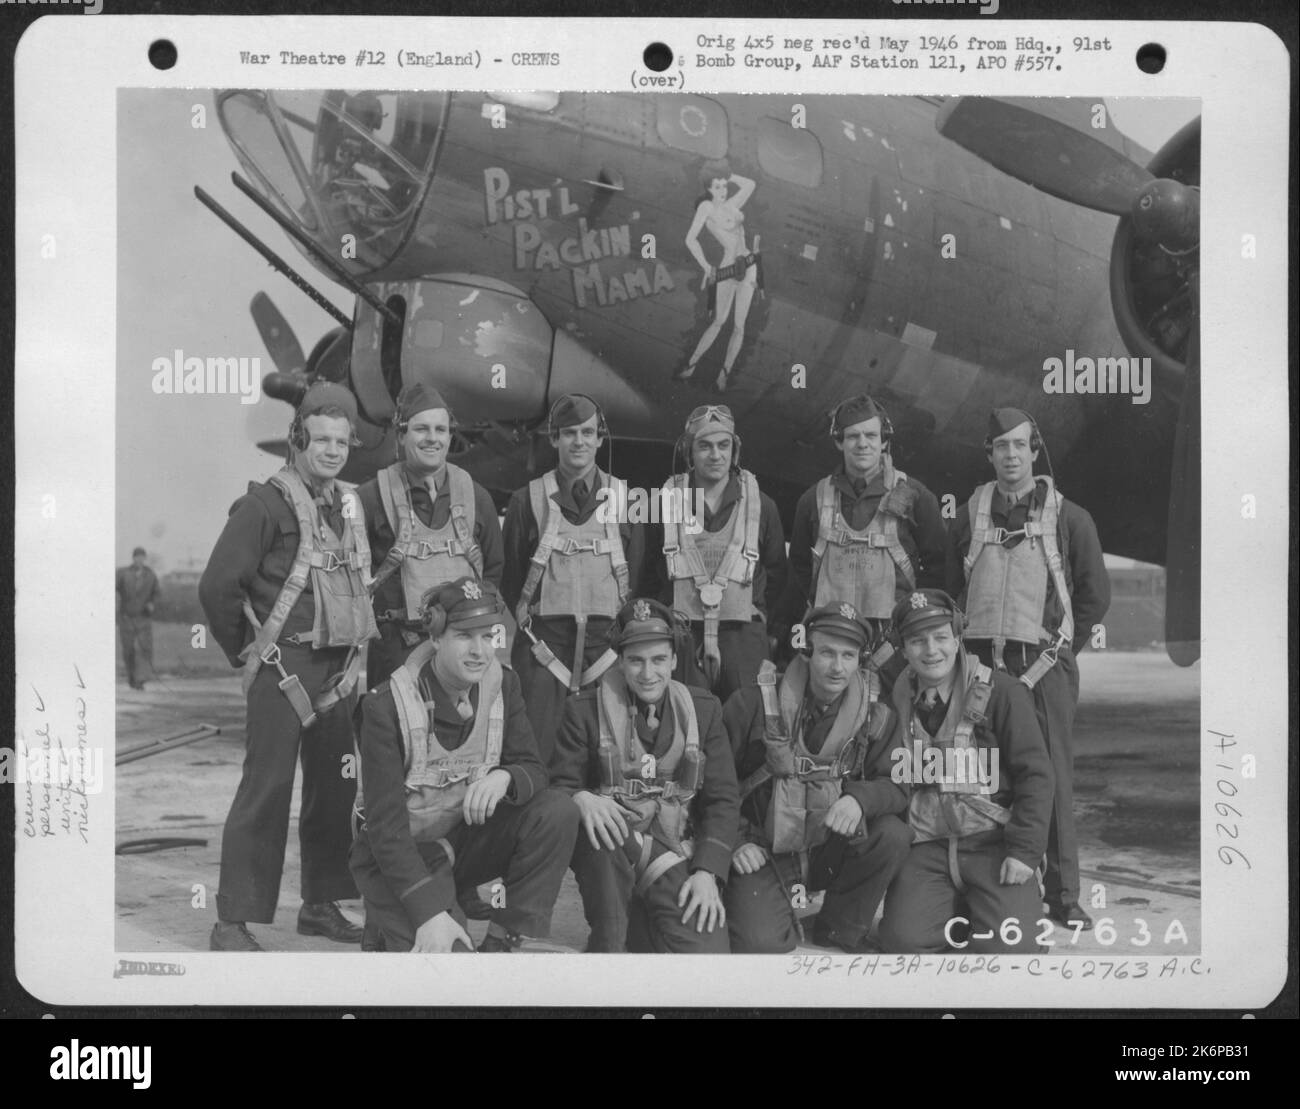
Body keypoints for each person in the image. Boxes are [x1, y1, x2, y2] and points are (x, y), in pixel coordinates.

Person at [199, 382, 378, 951]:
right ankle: (231, 920)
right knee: (267, 788)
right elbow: (217, 586)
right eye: (320, 439)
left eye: (342, 442)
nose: (331, 450)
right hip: (283, 666)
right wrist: (248, 653)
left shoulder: (347, 506)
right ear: (298, 439)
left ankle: (320, 905)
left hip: (337, 667)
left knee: (333, 790)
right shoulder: (263, 505)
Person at [946, 407, 1111, 930]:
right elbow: (952, 590)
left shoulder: (1070, 518)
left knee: (1053, 778)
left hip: (1040, 668)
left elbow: (1094, 598)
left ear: (1034, 452)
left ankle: (1063, 897)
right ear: (990, 453)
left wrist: (1060, 653)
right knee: (972, 773)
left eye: (1020, 446)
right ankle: (977, 881)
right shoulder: (970, 515)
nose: (1011, 455)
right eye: (1001, 446)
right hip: (979, 670)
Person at [349, 578, 579, 952]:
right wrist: (428, 913)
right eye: (464, 636)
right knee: (448, 962)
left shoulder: (503, 685)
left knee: (556, 811)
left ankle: (505, 939)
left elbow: (535, 769)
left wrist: (506, 776)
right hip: (400, 856)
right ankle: (388, 921)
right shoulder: (386, 706)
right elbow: (386, 830)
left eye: (488, 637)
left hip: (459, 846)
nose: (479, 651)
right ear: (436, 638)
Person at [550, 598, 739, 952]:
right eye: (635, 660)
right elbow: (558, 786)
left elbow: (723, 799)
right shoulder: (583, 711)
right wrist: (581, 796)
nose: (647, 673)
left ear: (675, 660)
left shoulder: (704, 709)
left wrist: (707, 872)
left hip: (672, 848)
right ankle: (609, 936)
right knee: (613, 944)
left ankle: (639, 917)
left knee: (707, 954)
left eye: (658, 660)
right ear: (620, 661)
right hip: (610, 849)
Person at [722, 602, 912, 954]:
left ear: (859, 660)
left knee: (892, 834)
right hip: (764, 849)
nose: (837, 667)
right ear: (808, 651)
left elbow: (899, 784)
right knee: (759, 943)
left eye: (848, 655)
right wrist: (736, 841)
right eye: (826, 653)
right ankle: (773, 906)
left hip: (831, 846)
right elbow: (716, 785)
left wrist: (860, 798)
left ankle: (839, 928)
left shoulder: (878, 716)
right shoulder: (751, 704)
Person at [877, 590, 1054, 955]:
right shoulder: (895, 700)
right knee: (902, 942)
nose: (931, 650)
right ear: (904, 649)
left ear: (958, 638)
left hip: (992, 845)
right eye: (917, 641)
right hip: (927, 848)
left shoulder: (1002, 693)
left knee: (1013, 948)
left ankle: (1001, 903)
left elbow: (1036, 775)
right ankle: (955, 905)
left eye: (941, 637)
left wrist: (1024, 853)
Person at [502, 393, 644, 763]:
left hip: (606, 650)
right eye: (568, 433)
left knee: (608, 754)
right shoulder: (525, 501)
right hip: (544, 648)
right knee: (534, 753)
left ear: (600, 439)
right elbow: (512, 577)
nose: (578, 441)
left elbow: (638, 573)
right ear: (553, 439)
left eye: (587, 432)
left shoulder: (628, 500)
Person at [783, 393, 946, 693]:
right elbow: (799, 570)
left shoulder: (915, 495)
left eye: (871, 436)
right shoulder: (813, 500)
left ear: (884, 440)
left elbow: (939, 565)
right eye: (853, 436)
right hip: (831, 647)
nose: (863, 444)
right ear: (838, 442)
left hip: (892, 648)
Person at [357, 376, 503, 690]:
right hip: (395, 651)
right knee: (391, 732)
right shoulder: (370, 498)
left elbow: (493, 569)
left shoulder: (477, 497)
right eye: (421, 429)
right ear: (401, 434)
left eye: (440, 430)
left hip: (459, 652)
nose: (432, 439)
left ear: (451, 436)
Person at [651, 404, 787, 702]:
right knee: (686, 721)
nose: (715, 455)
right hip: (681, 634)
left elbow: (778, 575)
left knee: (747, 720)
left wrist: (764, 627)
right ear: (690, 452)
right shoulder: (664, 505)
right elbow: (648, 573)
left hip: (743, 637)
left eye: (723, 445)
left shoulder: (762, 506)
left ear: (734, 450)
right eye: (705, 446)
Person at [674, 160, 761, 392]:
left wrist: (727, 175)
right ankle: (691, 365)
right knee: (719, 321)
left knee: (739, 325)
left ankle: (724, 374)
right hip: (727, 268)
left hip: (748, 265)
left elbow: (750, 184)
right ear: (708, 189)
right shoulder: (707, 208)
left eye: (724, 186)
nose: (722, 191)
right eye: (717, 187)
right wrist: (705, 266)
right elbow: (690, 239)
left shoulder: (733, 204)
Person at [116, 546, 161, 690]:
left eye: (142, 557)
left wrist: (152, 603)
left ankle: (140, 679)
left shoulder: (151, 575)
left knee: (144, 648)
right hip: (126, 617)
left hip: (143, 618)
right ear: (133, 558)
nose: (139, 559)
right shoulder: (122, 573)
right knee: (128, 650)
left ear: (145, 558)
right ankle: (132, 677)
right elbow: (114, 590)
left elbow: (157, 593)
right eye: (137, 557)